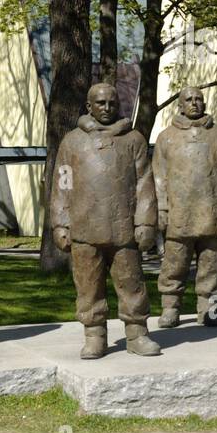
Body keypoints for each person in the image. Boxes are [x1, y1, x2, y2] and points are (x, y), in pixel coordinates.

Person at [51, 83, 161, 359]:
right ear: (89, 106)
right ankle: (95, 335)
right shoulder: (72, 141)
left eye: (112, 103)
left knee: (132, 283)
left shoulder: (133, 140)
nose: (107, 108)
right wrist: (60, 222)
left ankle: (137, 333)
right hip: (84, 229)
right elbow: (62, 183)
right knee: (88, 286)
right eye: (100, 103)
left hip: (123, 229)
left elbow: (144, 184)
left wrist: (146, 223)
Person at [153, 86, 217, 328]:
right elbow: (158, 179)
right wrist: (161, 210)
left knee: (212, 268)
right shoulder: (166, 138)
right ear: (180, 105)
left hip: (213, 215)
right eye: (189, 99)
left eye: (198, 99)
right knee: (173, 266)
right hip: (178, 217)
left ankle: (211, 311)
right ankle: (171, 308)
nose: (194, 103)